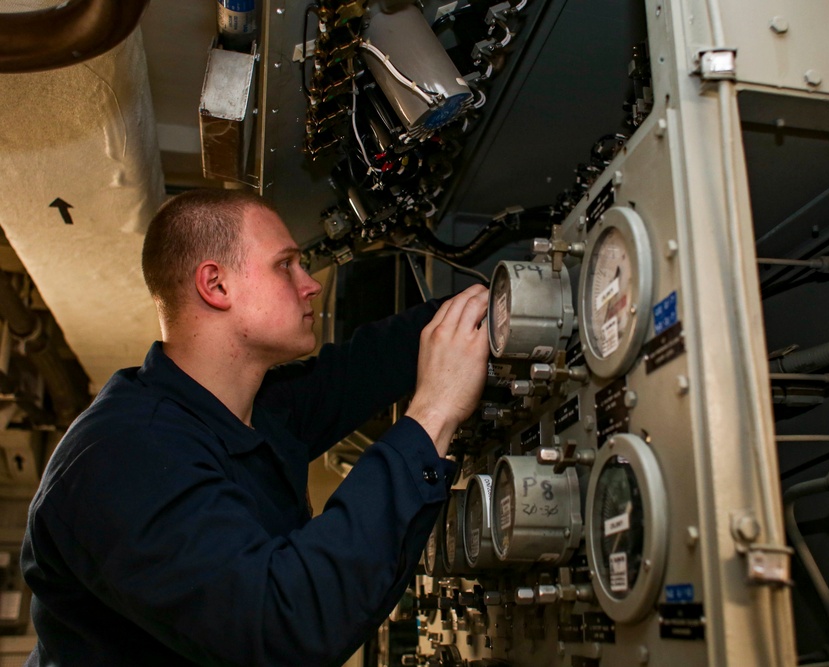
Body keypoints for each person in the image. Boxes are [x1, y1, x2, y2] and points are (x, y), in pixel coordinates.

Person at [20, 189, 490, 666]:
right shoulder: (121, 454)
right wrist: (434, 413)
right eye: (285, 265)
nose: (311, 285)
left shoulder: (250, 406)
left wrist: (496, 305)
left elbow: (368, 363)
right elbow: (284, 627)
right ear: (216, 285)